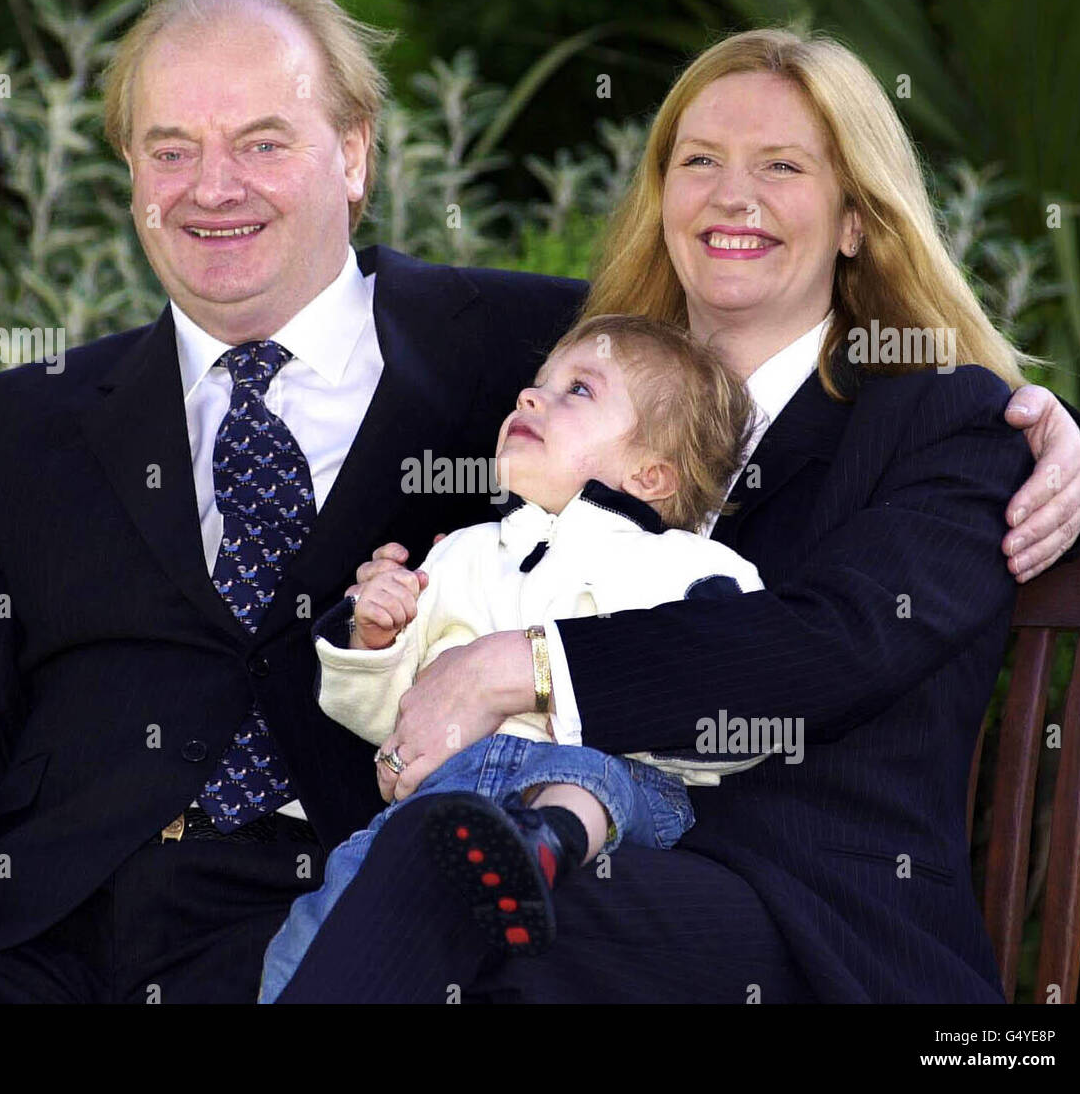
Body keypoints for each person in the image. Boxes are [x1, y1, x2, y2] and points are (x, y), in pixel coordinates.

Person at [0, 0, 1080, 1003]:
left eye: (263, 140)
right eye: (171, 147)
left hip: (449, 891)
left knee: (460, 888)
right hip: (60, 912)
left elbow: (829, 611)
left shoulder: (521, 356)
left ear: (354, 157)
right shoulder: (39, 419)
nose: (214, 186)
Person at [270, 27, 1080, 1004]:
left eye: (783, 166)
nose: (732, 195)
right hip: (556, 851)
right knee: (427, 874)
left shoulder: (940, 420)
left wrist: (522, 664)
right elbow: (399, 307)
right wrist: (388, 623)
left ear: (854, 218)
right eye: (699, 160)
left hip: (811, 921)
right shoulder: (581, 382)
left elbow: (837, 644)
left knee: (464, 885)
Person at [259, 314, 768, 1001]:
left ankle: (544, 842)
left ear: (651, 475)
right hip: (441, 802)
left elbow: (729, 691)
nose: (530, 398)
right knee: (306, 929)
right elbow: (392, 721)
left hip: (614, 783)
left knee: (585, 770)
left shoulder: (690, 566)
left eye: (577, 391)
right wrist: (372, 638)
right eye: (534, 386)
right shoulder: (461, 554)